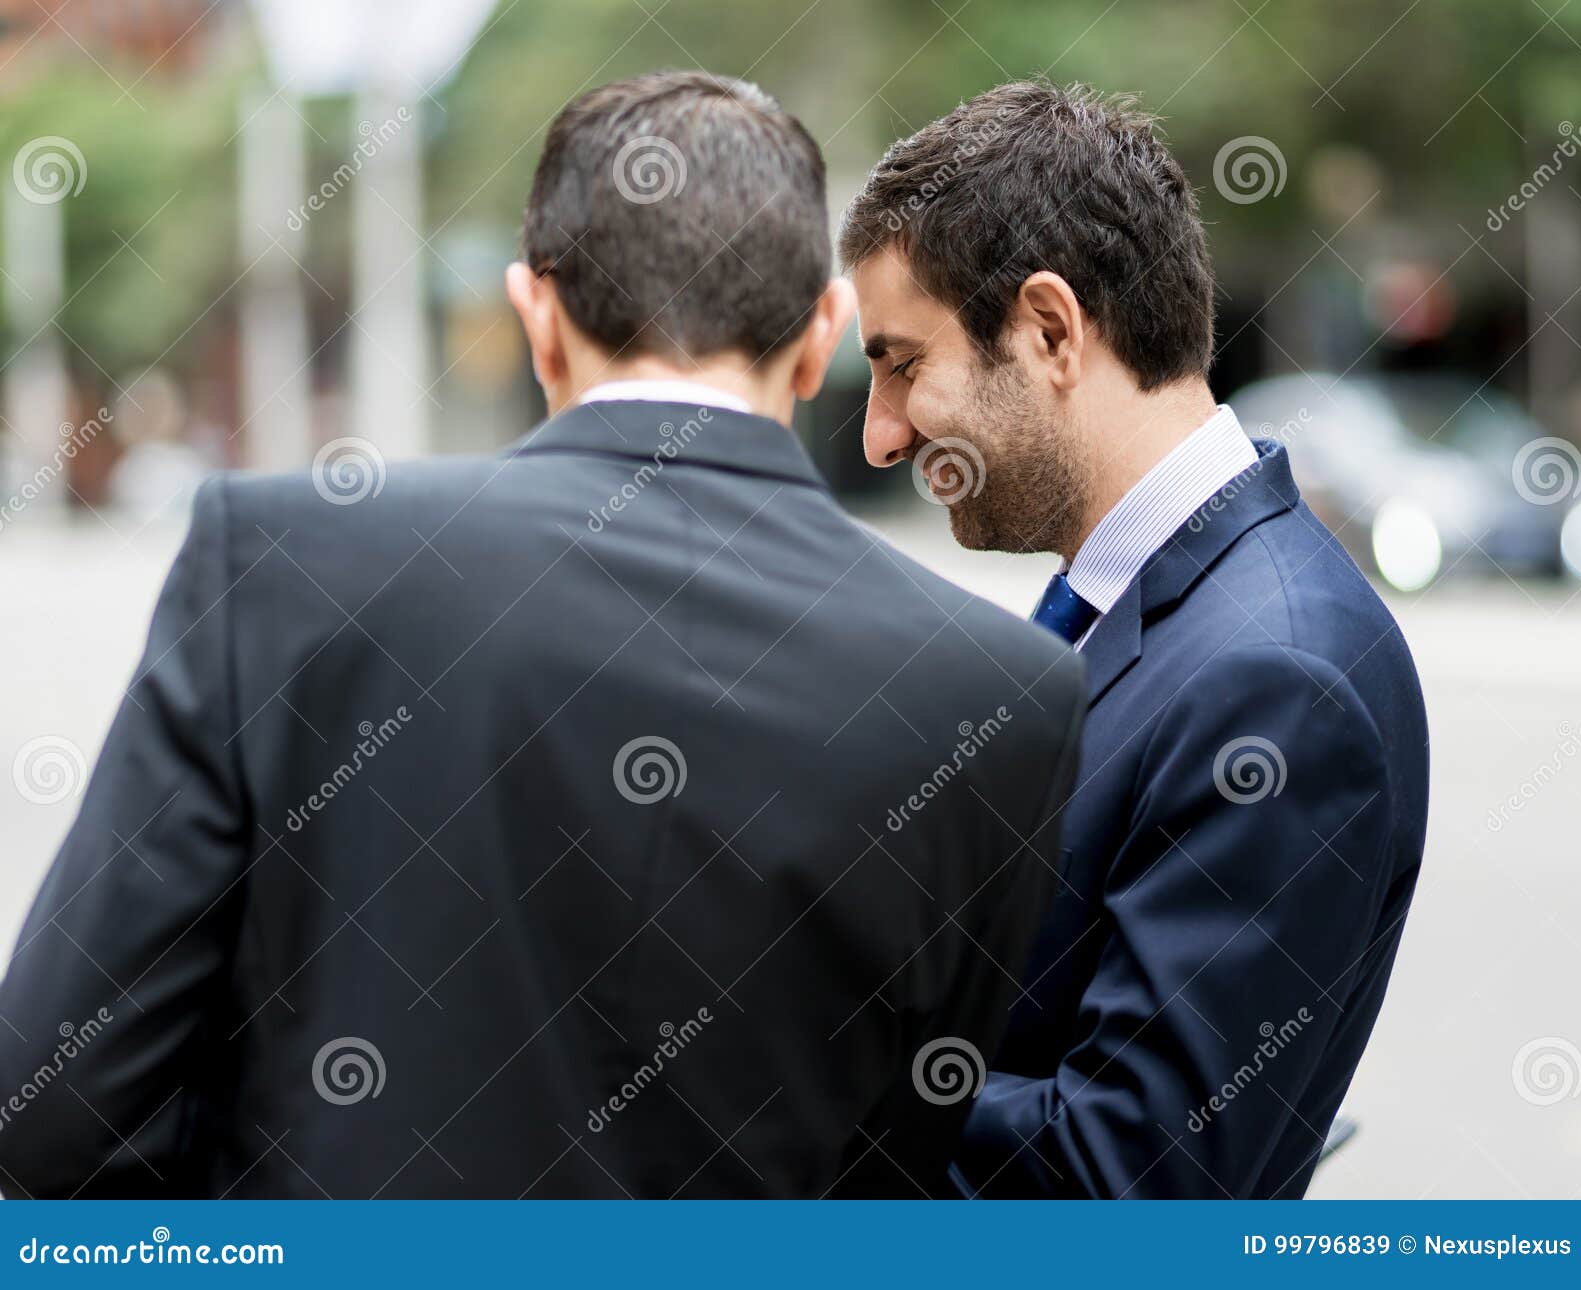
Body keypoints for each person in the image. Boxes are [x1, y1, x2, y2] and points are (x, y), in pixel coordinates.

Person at [0, 72, 1087, 1199]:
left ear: (535, 315)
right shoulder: (1000, 694)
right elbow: (892, 1173)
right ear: (821, 334)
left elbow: (48, 1112)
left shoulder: (282, 567)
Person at [838, 79, 1429, 1198]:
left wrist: (792, 1074)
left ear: (1050, 329)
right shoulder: (1130, 613)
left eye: (902, 363)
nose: (877, 435)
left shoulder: (1279, 681)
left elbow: (1137, 1178)